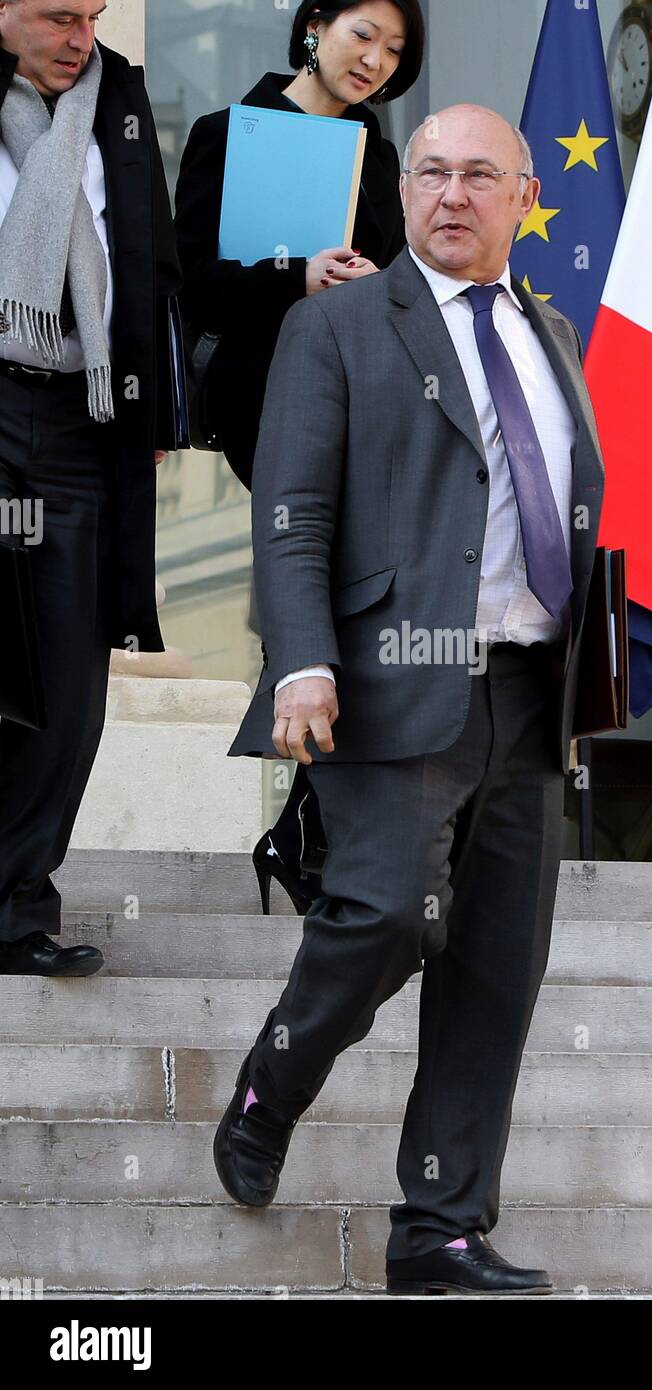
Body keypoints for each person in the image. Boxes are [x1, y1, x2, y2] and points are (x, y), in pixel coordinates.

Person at [218, 102, 606, 1296]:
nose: (449, 193)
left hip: (530, 689)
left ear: (522, 201)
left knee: (495, 964)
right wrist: (302, 660)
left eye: (478, 175)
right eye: (429, 171)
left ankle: (436, 1225)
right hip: (389, 681)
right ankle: (271, 1079)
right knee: (382, 913)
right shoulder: (338, 324)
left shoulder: (550, 336)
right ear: (403, 195)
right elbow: (292, 512)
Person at [173, 0, 425, 915]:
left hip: (358, 391)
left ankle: (306, 825)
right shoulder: (226, 132)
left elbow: (402, 284)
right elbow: (189, 282)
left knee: (355, 585)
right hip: (263, 385)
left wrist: (368, 283)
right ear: (314, 25)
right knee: (315, 567)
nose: (378, 62)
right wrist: (297, 277)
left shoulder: (378, 151)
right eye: (366, 35)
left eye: (397, 53)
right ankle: (307, 827)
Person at [0, 0, 182, 977]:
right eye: (59, 16)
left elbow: (148, 250)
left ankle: (18, 909)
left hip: (82, 409)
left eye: (95, 15)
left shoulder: (120, 93)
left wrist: (151, 410)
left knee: (68, 679)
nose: (82, 37)